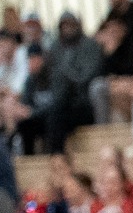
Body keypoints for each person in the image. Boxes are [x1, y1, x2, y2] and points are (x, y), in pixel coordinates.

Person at [44, 13, 103, 154]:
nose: (67, 29)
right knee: (49, 115)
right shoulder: (55, 47)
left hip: (84, 102)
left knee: (57, 115)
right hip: (60, 102)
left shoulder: (90, 45)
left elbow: (87, 76)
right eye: (64, 25)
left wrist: (67, 72)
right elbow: (51, 78)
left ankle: (58, 156)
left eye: (70, 24)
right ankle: (55, 156)